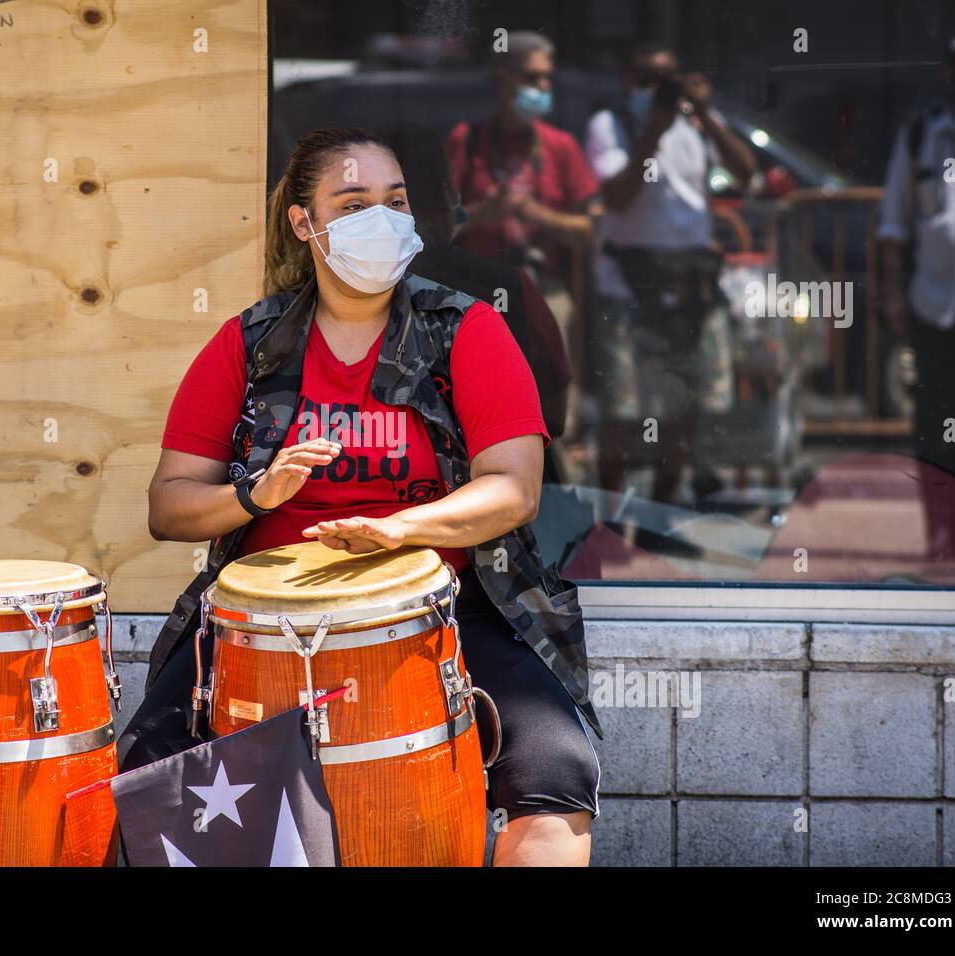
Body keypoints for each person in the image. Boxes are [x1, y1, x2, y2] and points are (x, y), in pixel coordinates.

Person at [119, 126, 602, 867]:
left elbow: (514, 490)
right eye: (353, 203)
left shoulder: (464, 329)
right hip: (261, 620)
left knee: (554, 775)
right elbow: (170, 506)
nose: (381, 218)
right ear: (303, 223)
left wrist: (401, 529)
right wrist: (256, 493)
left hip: (442, 602)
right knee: (147, 768)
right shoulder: (249, 344)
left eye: (395, 200)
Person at [584, 40, 756, 504]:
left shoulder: (696, 124)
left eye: (666, 79)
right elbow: (618, 198)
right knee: (622, 411)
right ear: (628, 80)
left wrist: (704, 112)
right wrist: (652, 134)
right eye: (646, 78)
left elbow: (745, 172)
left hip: (690, 284)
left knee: (682, 407)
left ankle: (662, 507)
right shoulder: (611, 123)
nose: (656, 89)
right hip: (629, 284)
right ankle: (611, 516)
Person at [379, 122, 574, 487]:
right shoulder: (506, 287)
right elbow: (552, 416)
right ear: (445, 196)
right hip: (486, 500)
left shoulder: (333, 294)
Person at [878, 30, 955, 556]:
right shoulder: (921, 135)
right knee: (939, 425)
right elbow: (893, 224)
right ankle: (947, 535)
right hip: (935, 303)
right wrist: (892, 293)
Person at [445, 30, 597, 393]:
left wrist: (538, 215)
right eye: (533, 78)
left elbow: (589, 231)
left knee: (551, 406)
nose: (543, 86)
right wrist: (482, 213)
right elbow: (436, 228)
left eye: (548, 77)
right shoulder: (466, 140)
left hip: (546, 294)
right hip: (478, 297)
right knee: (483, 398)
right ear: (503, 78)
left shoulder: (561, 145)